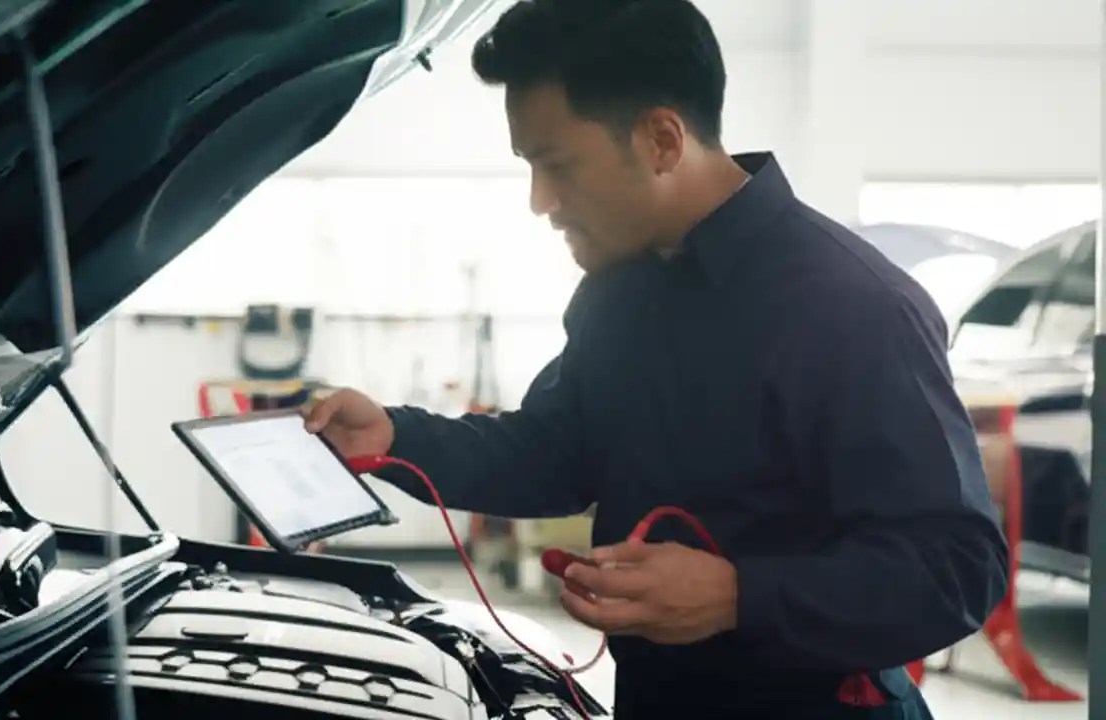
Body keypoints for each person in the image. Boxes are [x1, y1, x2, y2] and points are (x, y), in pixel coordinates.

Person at [304, 0, 1009, 717]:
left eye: (557, 166)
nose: (539, 201)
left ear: (662, 140)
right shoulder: (620, 289)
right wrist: (396, 439)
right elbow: (556, 451)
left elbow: (956, 569)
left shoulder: (854, 307)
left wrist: (740, 596)